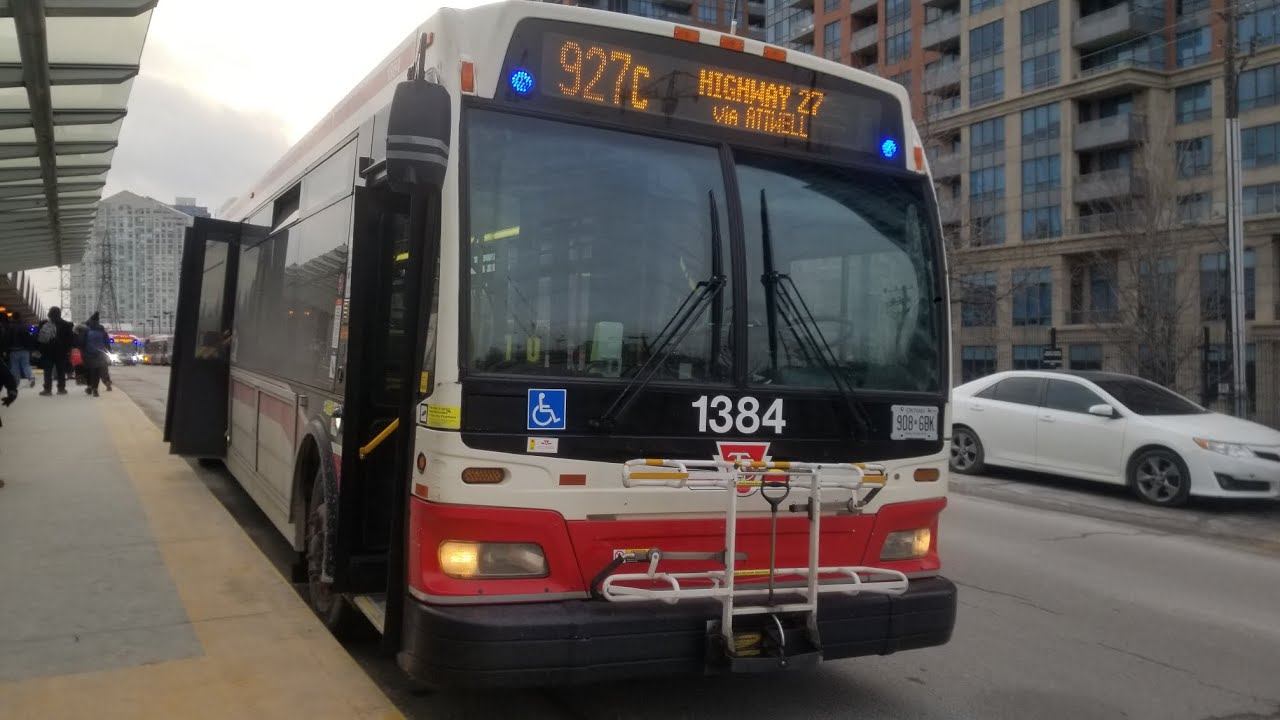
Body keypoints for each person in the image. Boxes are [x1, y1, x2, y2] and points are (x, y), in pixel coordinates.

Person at [35, 306, 74, 396]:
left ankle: (47, 389)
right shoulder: (66, 325)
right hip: (61, 352)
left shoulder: (44, 324)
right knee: (61, 371)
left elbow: (38, 338)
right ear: (59, 314)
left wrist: (39, 349)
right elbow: (71, 340)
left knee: (47, 371)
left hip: (47, 351)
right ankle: (61, 389)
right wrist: (68, 350)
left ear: (50, 314)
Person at [82, 312, 111, 397]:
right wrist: (108, 351)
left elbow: (82, 342)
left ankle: (89, 387)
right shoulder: (102, 331)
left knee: (89, 372)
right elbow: (107, 344)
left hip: (88, 355)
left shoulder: (86, 331)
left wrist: (83, 351)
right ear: (98, 321)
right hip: (100, 355)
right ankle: (95, 389)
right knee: (97, 372)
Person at [6, 314, 36, 388]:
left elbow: (7, 339)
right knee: (26, 365)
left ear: (12, 318)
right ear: (20, 318)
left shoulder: (10, 327)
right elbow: (33, 333)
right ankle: (31, 378)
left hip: (13, 350)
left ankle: (16, 381)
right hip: (24, 350)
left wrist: (5, 349)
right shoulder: (25, 326)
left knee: (15, 367)